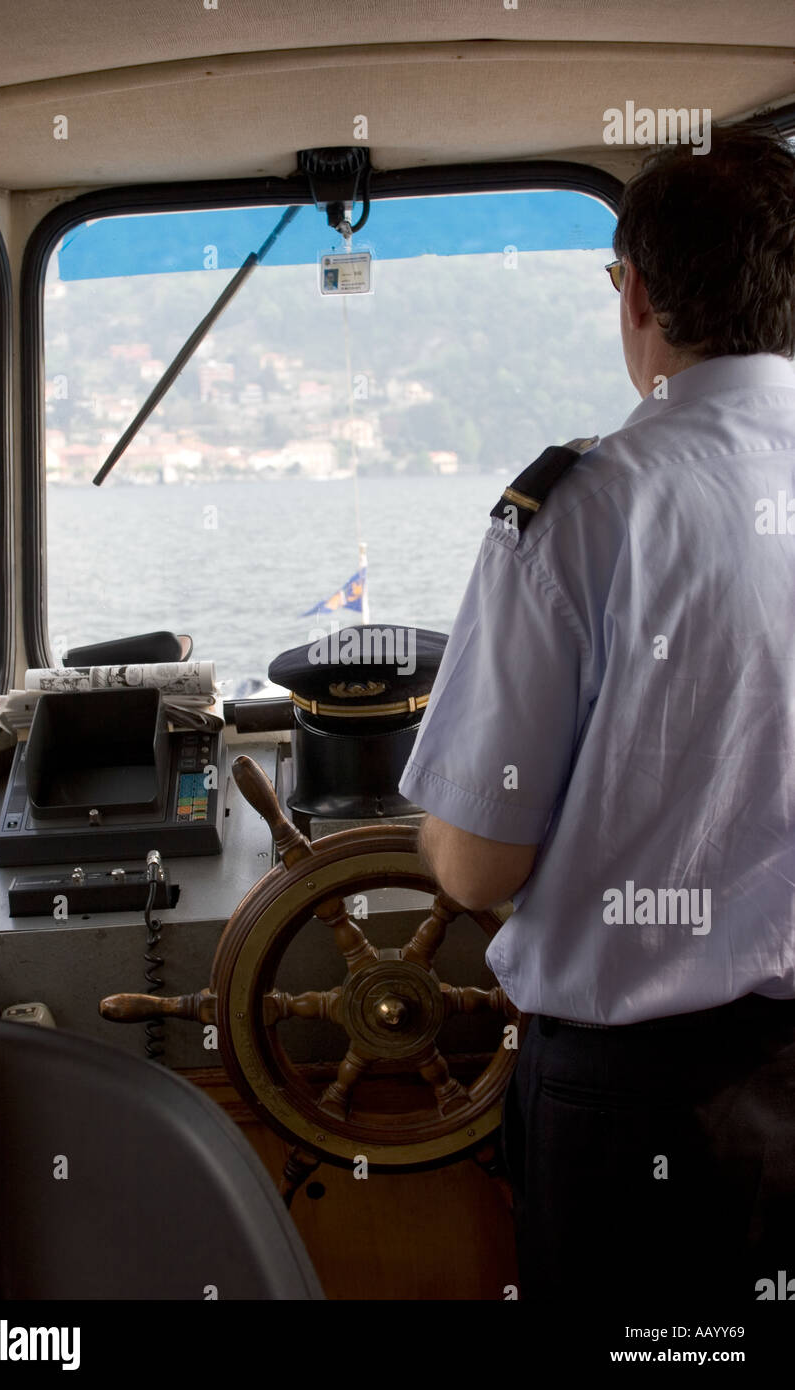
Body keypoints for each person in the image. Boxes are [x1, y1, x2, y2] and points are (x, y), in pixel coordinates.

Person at [398, 121, 795, 1306]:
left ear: (632, 296)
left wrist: (429, 831)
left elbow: (476, 866)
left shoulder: (578, 507)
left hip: (637, 1103)